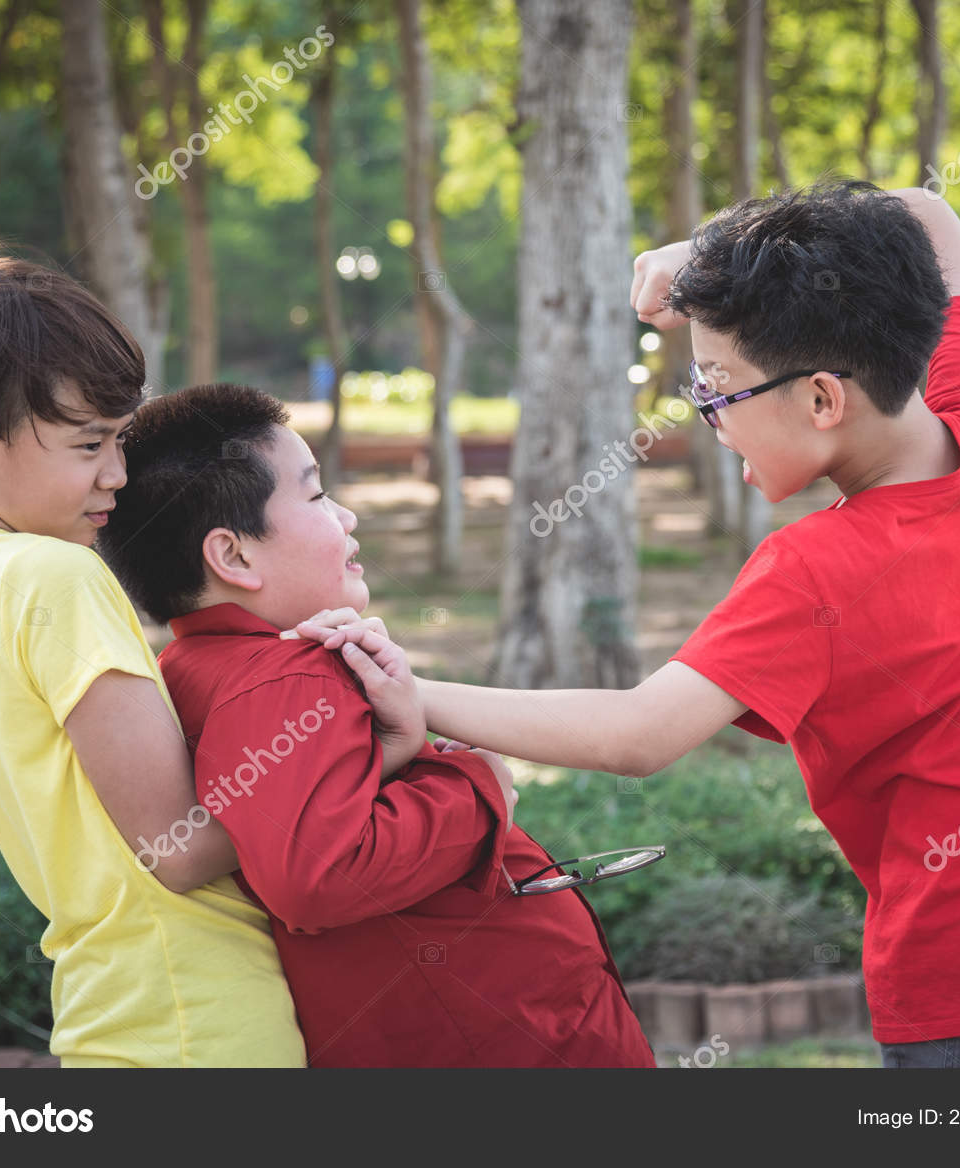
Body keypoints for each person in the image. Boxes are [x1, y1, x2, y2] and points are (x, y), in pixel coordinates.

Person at [297, 179, 960, 1069]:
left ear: (824, 400)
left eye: (716, 388)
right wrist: (714, 259)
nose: (707, 418)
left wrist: (407, 687)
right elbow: (926, 212)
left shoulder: (816, 571)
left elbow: (639, 734)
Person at [95, 382, 656, 1068]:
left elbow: (303, 816)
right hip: (506, 1039)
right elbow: (317, 872)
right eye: (315, 495)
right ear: (233, 556)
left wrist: (400, 744)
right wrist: (475, 787)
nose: (348, 515)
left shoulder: (197, 667)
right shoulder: (287, 676)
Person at [0, 245, 305, 1067]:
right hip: (199, 1022)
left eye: (120, 440)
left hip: (125, 1015)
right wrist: (353, 759)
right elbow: (180, 848)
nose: (117, 474)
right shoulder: (55, 575)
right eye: (88, 446)